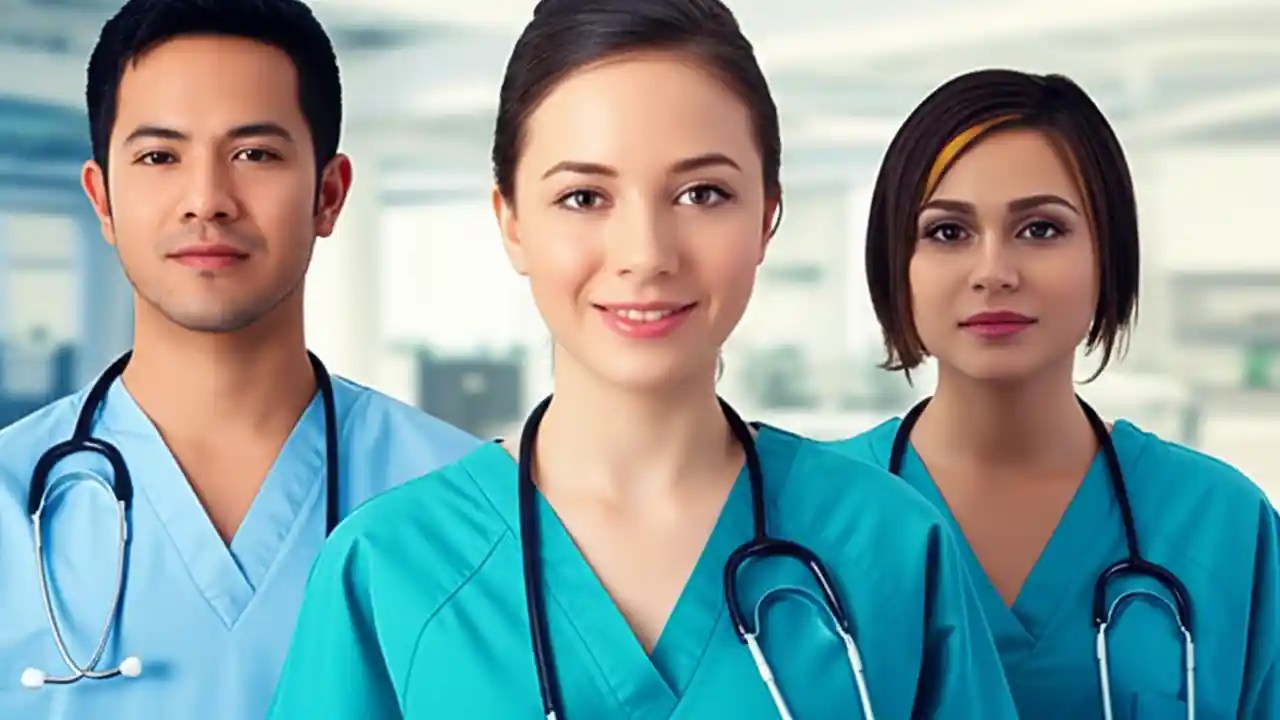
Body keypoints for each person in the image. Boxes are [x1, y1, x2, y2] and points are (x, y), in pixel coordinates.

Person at [267, 2, 1019, 718]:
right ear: (512, 224)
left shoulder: (889, 545)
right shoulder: (391, 566)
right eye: (585, 198)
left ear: (766, 217)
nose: (647, 255)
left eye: (701, 193)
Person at [0, 1, 479, 717]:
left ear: (329, 193)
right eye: (160, 156)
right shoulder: (11, 500)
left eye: (254, 154)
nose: (207, 200)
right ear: (103, 200)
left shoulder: (468, 506)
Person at [831, 68, 1280, 718]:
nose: (994, 273)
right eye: (948, 232)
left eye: (1040, 229)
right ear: (895, 265)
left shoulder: (1224, 528)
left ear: (1109, 254)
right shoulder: (804, 522)